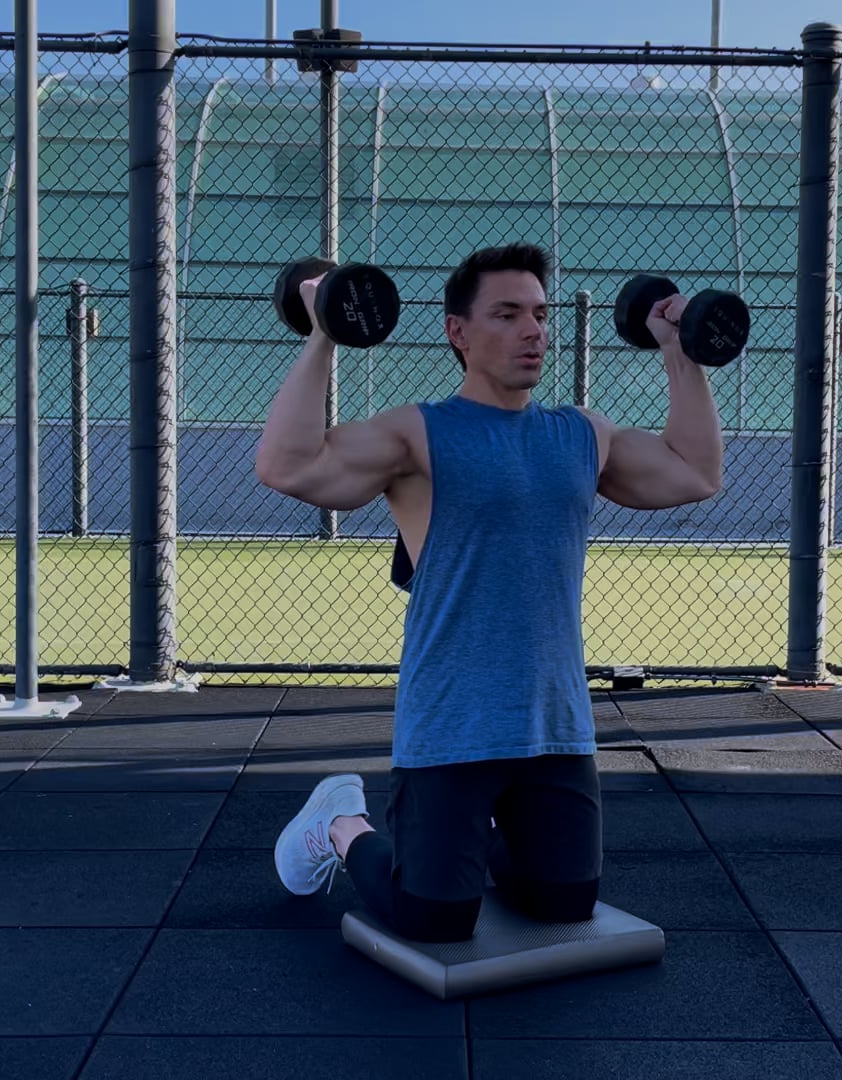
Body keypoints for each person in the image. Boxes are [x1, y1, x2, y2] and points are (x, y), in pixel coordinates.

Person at [253, 242, 724, 943]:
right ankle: (339, 825)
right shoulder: (416, 433)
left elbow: (692, 473)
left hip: (553, 723)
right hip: (451, 724)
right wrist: (325, 326)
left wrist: (679, 348)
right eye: (507, 314)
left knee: (562, 904)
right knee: (433, 917)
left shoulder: (580, 432)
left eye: (538, 313)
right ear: (459, 333)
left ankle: (471, 846)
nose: (533, 330)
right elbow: (287, 466)